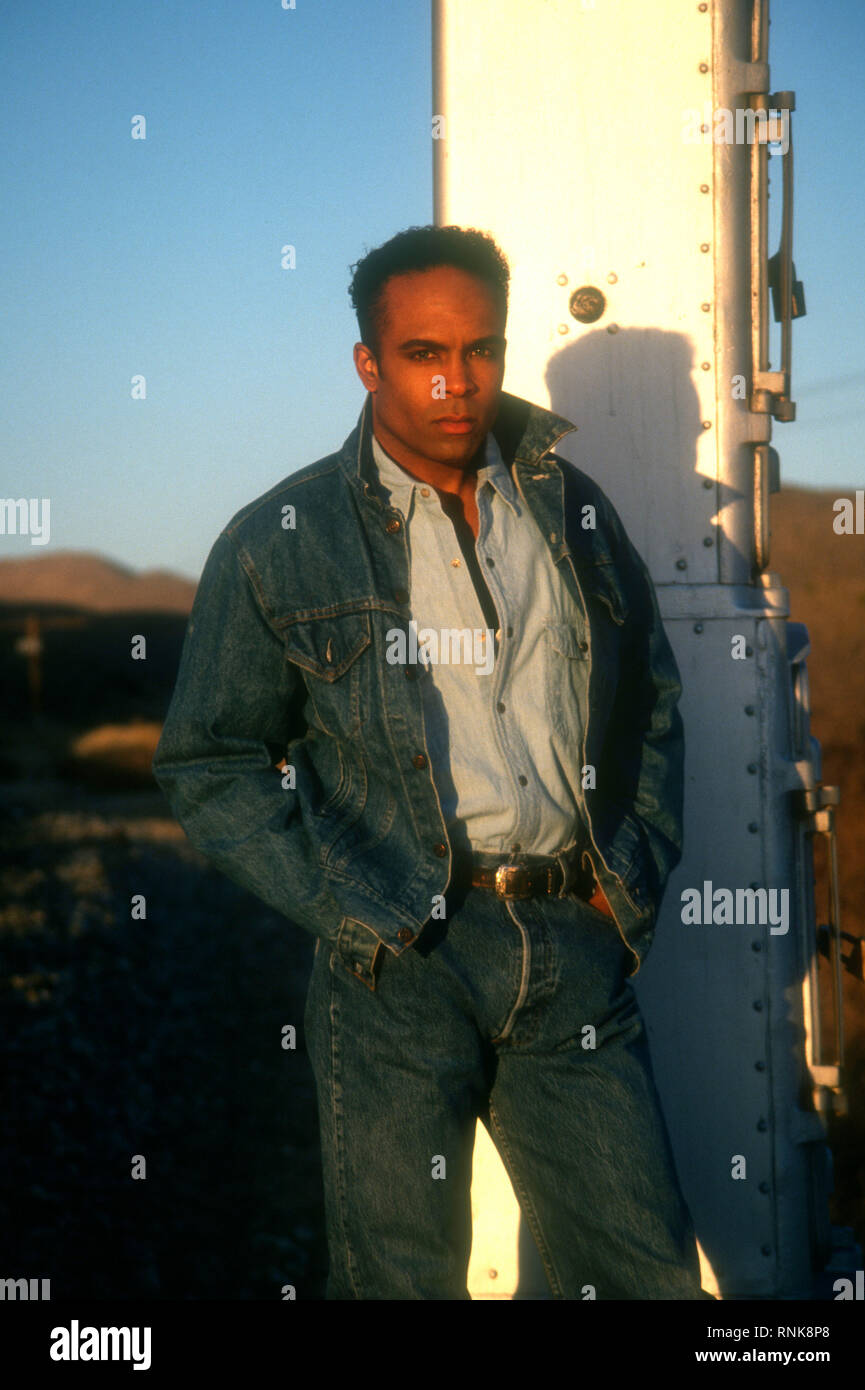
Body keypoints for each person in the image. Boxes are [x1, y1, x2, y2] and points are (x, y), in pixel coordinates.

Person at [153, 223, 710, 1300]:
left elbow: (651, 702)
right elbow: (209, 760)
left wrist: (622, 879)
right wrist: (348, 903)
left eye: (481, 350)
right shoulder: (281, 536)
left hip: (570, 942)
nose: (457, 383)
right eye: (423, 354)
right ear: (368, 362)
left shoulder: (573, 508)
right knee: (402, 1284)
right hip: (396, 961)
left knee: (649, 1280)